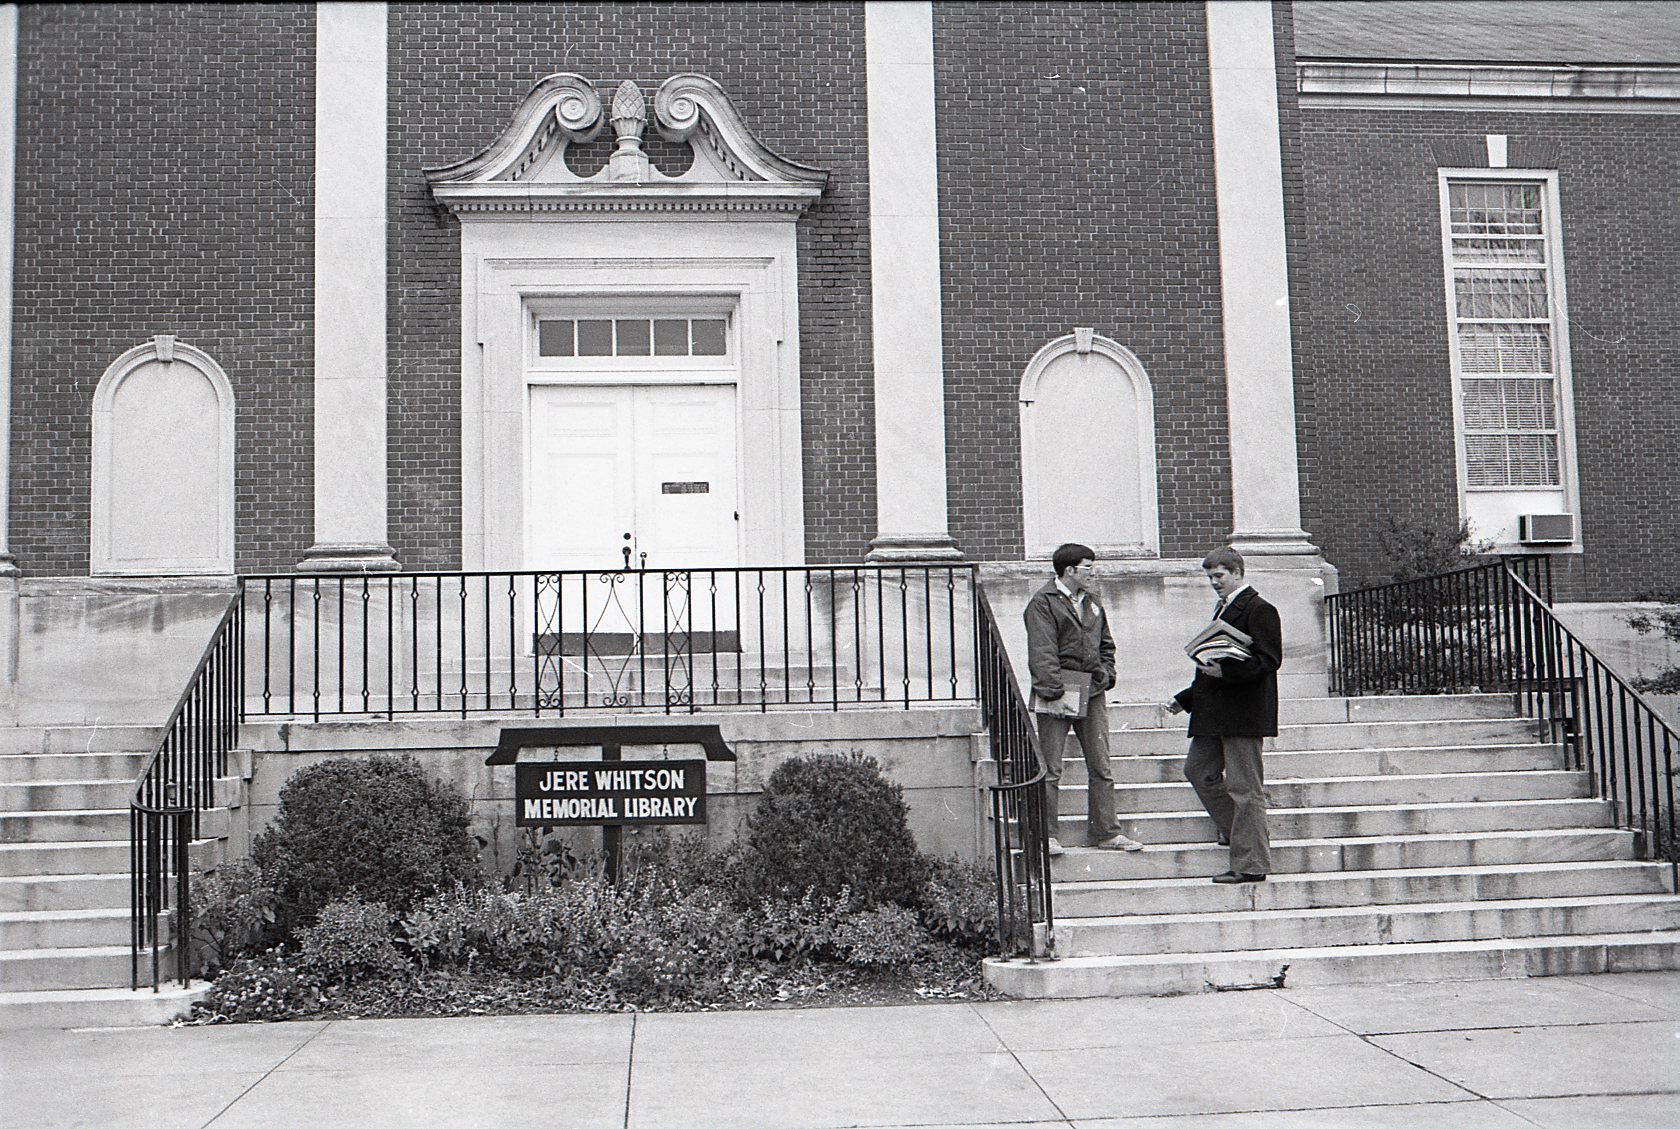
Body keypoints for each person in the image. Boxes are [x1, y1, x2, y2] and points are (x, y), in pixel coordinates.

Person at [1167, 546, 1281, 884]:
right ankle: (1240, 833)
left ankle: (1251, 865)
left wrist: (1227, 674)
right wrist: (1185, 699)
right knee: (1198, 770)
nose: (1214, 583)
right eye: (1210, 577)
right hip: (1214, 711)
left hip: (1242, 713)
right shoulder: (1224, 608)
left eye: (1219, 576)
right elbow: (1212, 663)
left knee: (1245, 788)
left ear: (1237, 573)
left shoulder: (1260, 609)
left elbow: (1269, 660)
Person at [1024, 543, 1143, 857]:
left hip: (1092, 690)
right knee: (1050, 768)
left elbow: (1107, 644)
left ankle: (1107, 832)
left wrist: (1107, 673)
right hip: (1058, 690)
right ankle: (1046, 836)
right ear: (1070, 570)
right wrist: (1053, 692)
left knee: (1101, 765)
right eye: (1088, 566)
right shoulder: (1042, 602)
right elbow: (1042, 652)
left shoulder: (1093, 601)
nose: (1093, 572)